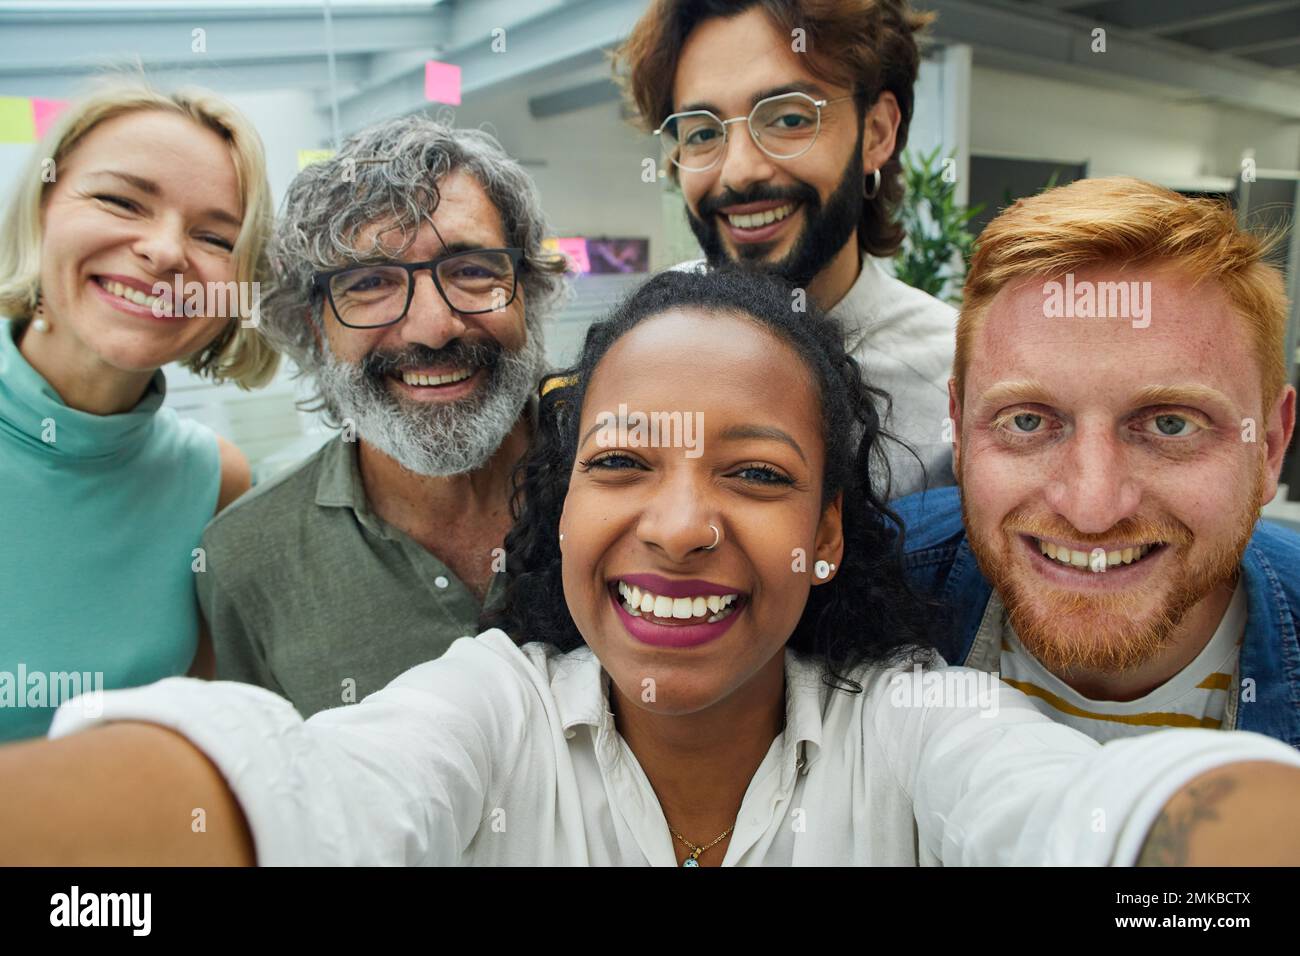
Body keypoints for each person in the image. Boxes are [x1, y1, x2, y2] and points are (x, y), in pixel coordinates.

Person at [3, 269, 1298, 866]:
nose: (681, 526)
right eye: (625, 464)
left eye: (754, 472)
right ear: (562, 514)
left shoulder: (914, 725)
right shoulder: (487, 710)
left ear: (831, 532)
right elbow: (289, 790)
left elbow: (1089, 817)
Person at [893, 177, 1300, 745]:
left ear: (1272, 445)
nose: (1091, 510)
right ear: (958, 433)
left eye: (1170, 424)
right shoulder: (859, 594)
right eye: (1028, 422)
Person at [200, 115, 567, 718]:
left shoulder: (632, 476)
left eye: (472, 270)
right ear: (315, 325)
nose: (433, 328)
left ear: (528, 288)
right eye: (369, 282)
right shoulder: (246, 560)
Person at [0, 83, 278, 741]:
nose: (164, 252)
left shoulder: (214, 481)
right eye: (120, 200)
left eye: (214, 236)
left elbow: (187, 743)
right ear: (40, 210)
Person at [614, 0, 956, 496]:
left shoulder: (956, 375)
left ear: (877, 132)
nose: (739, 171)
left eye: (789, 120)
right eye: (704, 133)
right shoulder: (640, 347)